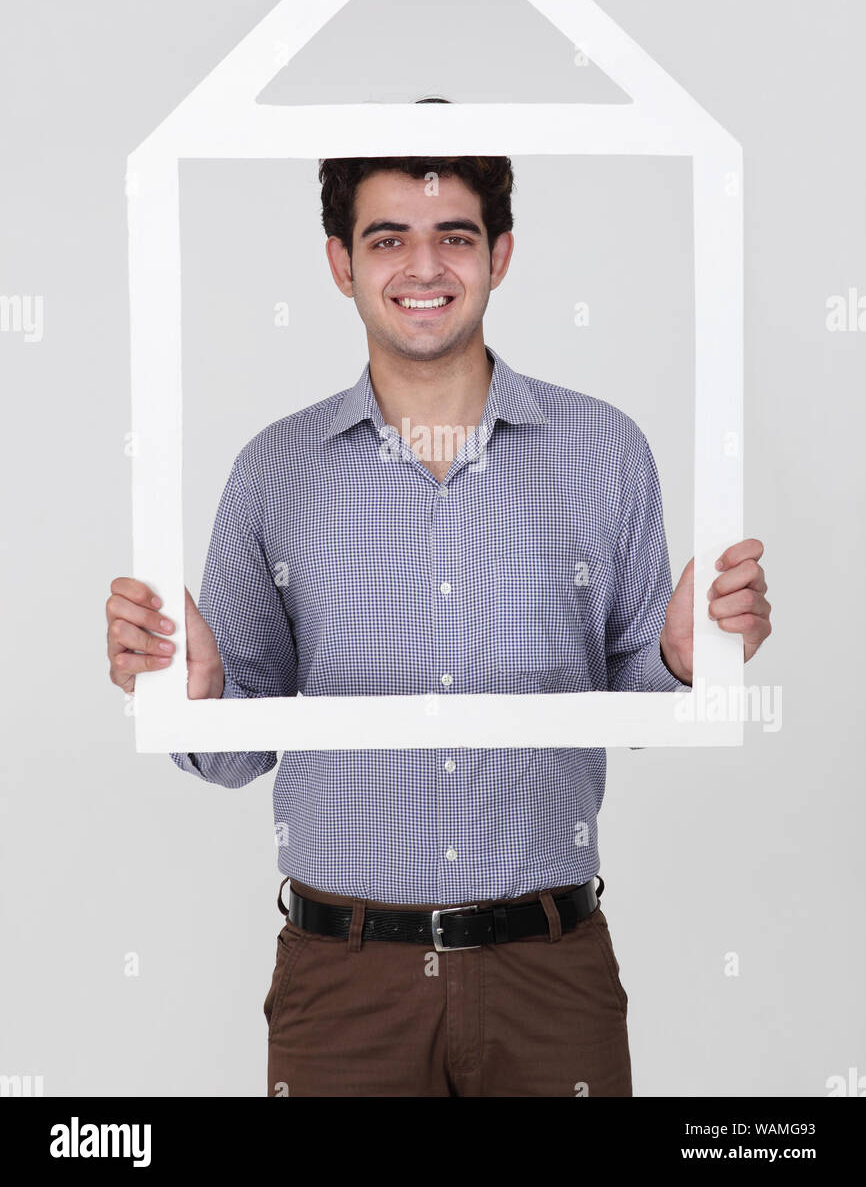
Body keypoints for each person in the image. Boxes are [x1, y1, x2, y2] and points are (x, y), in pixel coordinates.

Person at [105, 100, 772, 1097]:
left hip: (549, 971)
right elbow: (237, 747)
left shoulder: (606, 453)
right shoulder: (272, 471)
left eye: (452, 236)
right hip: (344, 981)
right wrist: (194, 690)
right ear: (340, 262)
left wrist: (685, 659)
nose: (423, 267)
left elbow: (636, 695)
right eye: (387, 239)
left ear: (500, 253)